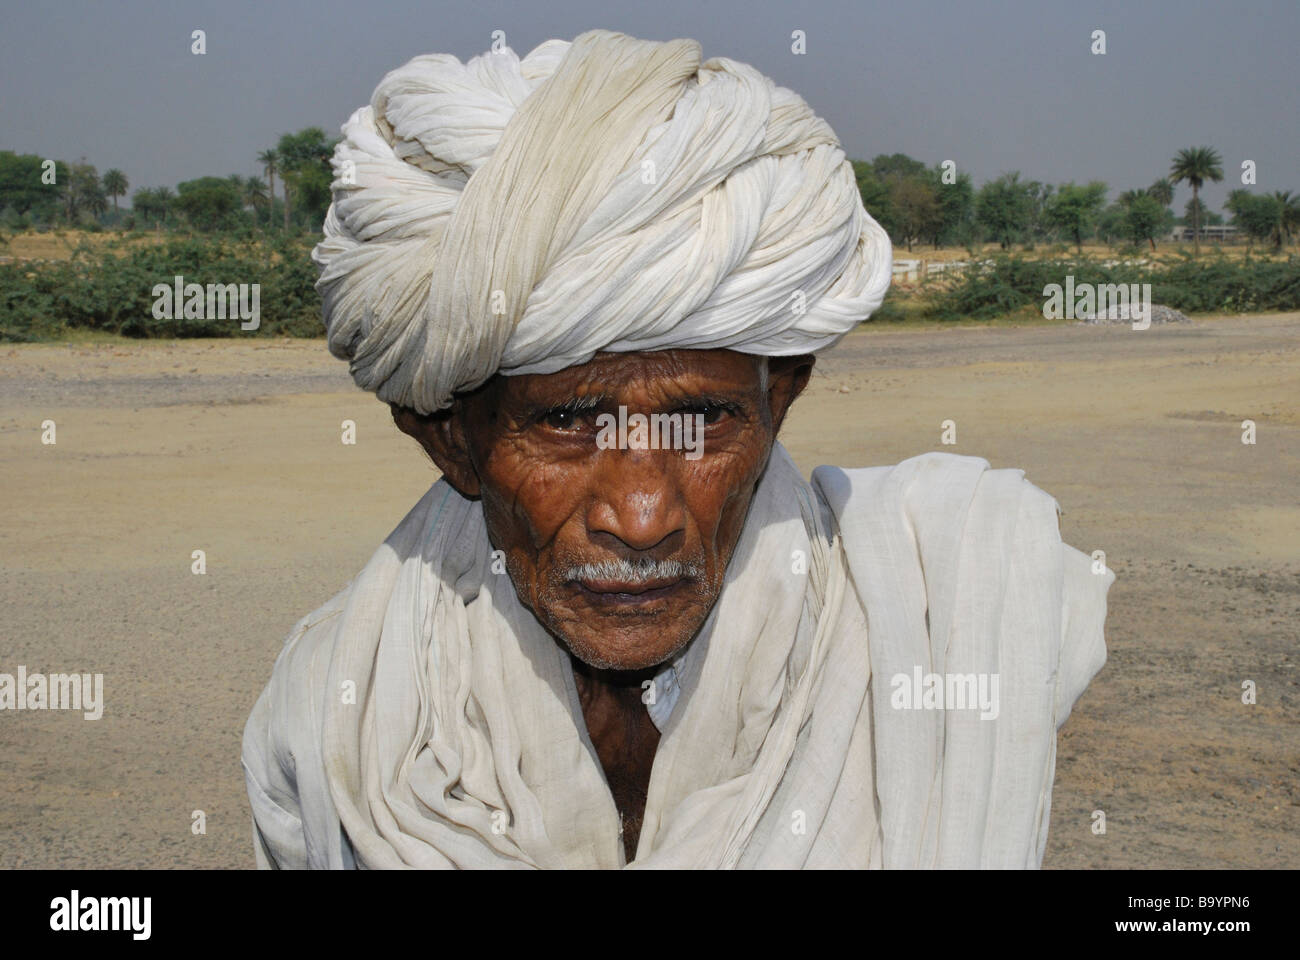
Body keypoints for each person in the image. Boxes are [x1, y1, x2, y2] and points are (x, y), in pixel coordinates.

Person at [242, 28, 1112, 869]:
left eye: (702, 423)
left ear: (782, 402)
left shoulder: (951, 617)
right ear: (451, 444)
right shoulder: (337, 718)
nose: (644, 515)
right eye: (567, 424)